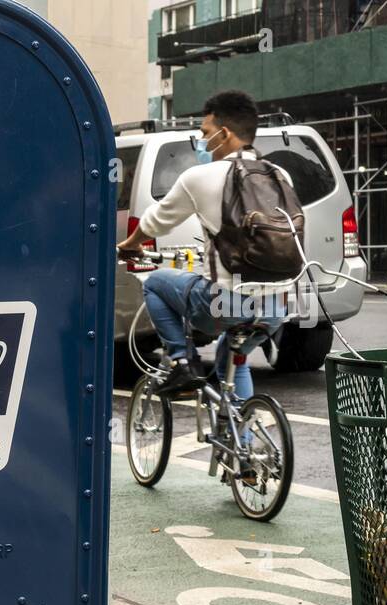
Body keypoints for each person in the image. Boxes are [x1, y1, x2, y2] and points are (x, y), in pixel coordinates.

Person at [117, 89, 292, 399]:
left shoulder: (200, 176)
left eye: (205, 133)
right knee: (234, 360)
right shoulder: (279, 175)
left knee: (155, 283)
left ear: (223, 134)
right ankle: (242, 443)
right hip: (276, 306)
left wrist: (129, 245)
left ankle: (183, 364)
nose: (201, 140)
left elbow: (154, 223)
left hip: (227, 304)